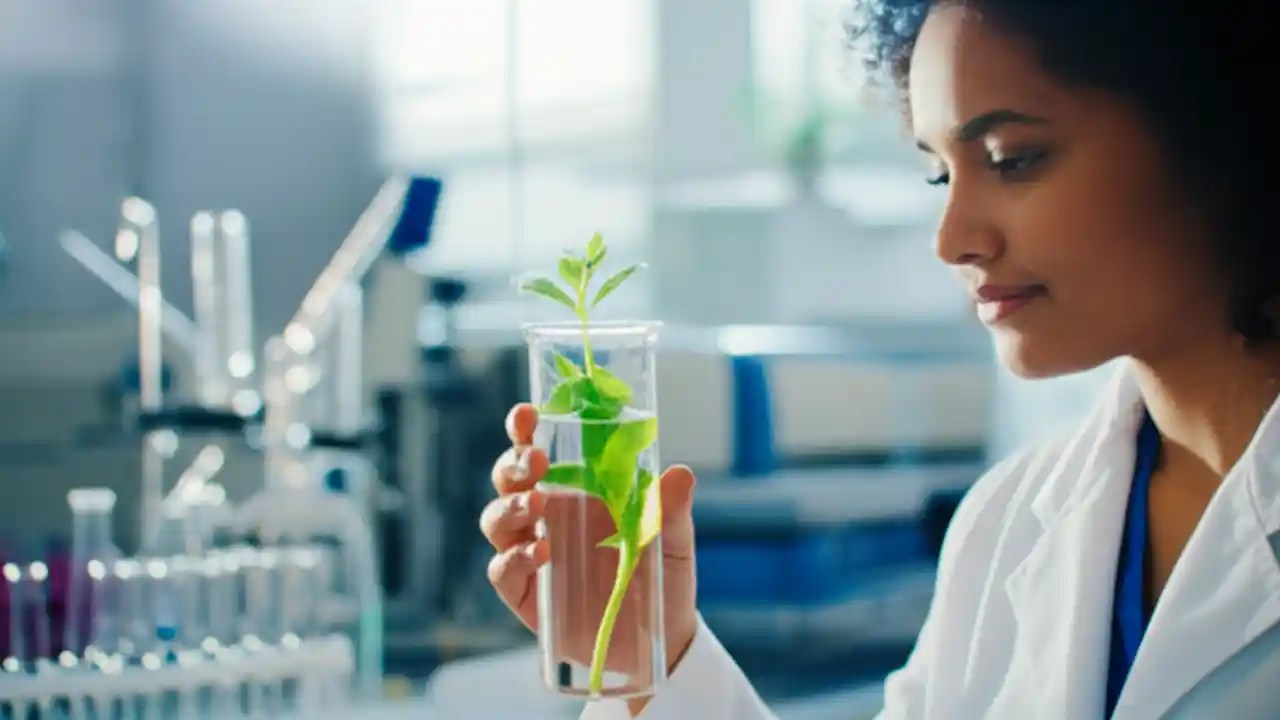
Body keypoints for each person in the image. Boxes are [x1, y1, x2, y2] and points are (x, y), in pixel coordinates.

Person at [480, 1, 1280, 717]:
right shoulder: (1008, 522)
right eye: (939, 173)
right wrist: (650, 655)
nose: (952, 239)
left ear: (1218, 131)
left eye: (1012, 158)